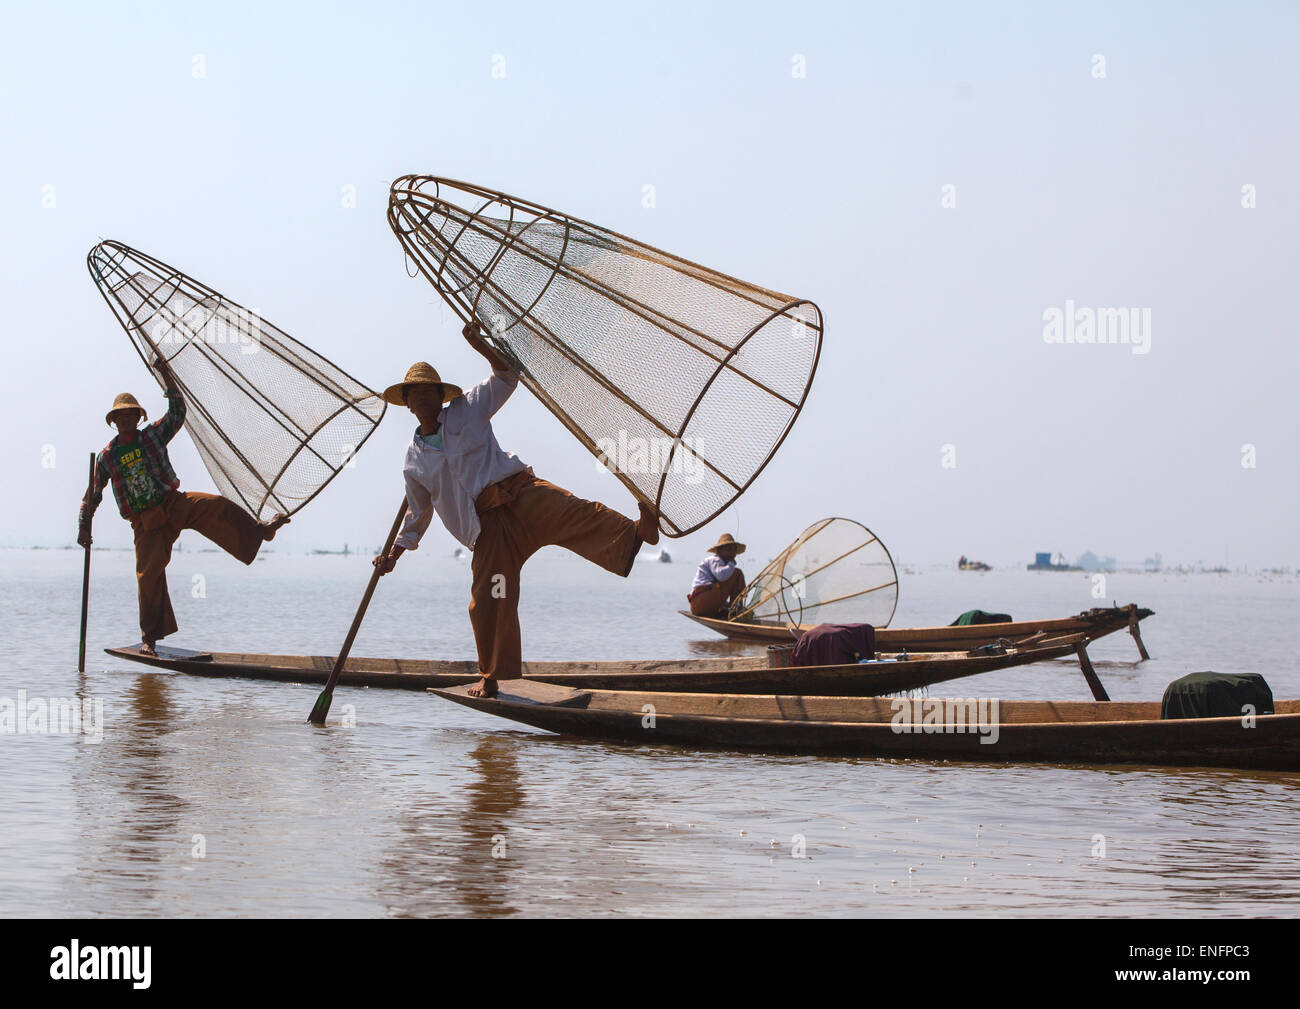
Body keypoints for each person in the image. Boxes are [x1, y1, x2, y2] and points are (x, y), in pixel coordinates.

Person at [373, 321, 660, 698]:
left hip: (520, 494)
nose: (424, 399)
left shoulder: (465, 410)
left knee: (572, 510)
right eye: (417, 394)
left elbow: (507, 375)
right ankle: (490, 677)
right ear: (408, 403)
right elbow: (418, 513)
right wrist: (394, 553)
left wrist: (480, 345)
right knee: (490, 597)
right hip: (486, 528)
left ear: (440, 397)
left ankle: (637, 533)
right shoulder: (414, 461)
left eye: (430, 392)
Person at [77, 357, 289, 655]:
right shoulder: (107, 457)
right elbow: (93, 493)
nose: (125, 420)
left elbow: (177, 412)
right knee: (148, 576)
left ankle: (259, 532)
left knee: (214, 505)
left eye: (130, 415)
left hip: (172, 503)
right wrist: (84, 527)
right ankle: (149, 639)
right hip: (145, 522)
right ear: (114, 422)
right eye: (120, 417)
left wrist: (167, 376)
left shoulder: (151, 435)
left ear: (138, 418)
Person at [688, 533, 747, 618]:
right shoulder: (715, 560)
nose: (732, 553)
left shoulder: (722, 564)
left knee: (734, 573)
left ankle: (731, 608)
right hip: (701, 601)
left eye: (734, 550)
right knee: (737, 573)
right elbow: (721, 576)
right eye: (728, 550)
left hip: (702, 605)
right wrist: (731, 563)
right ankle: (736, 609)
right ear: (719, 551)